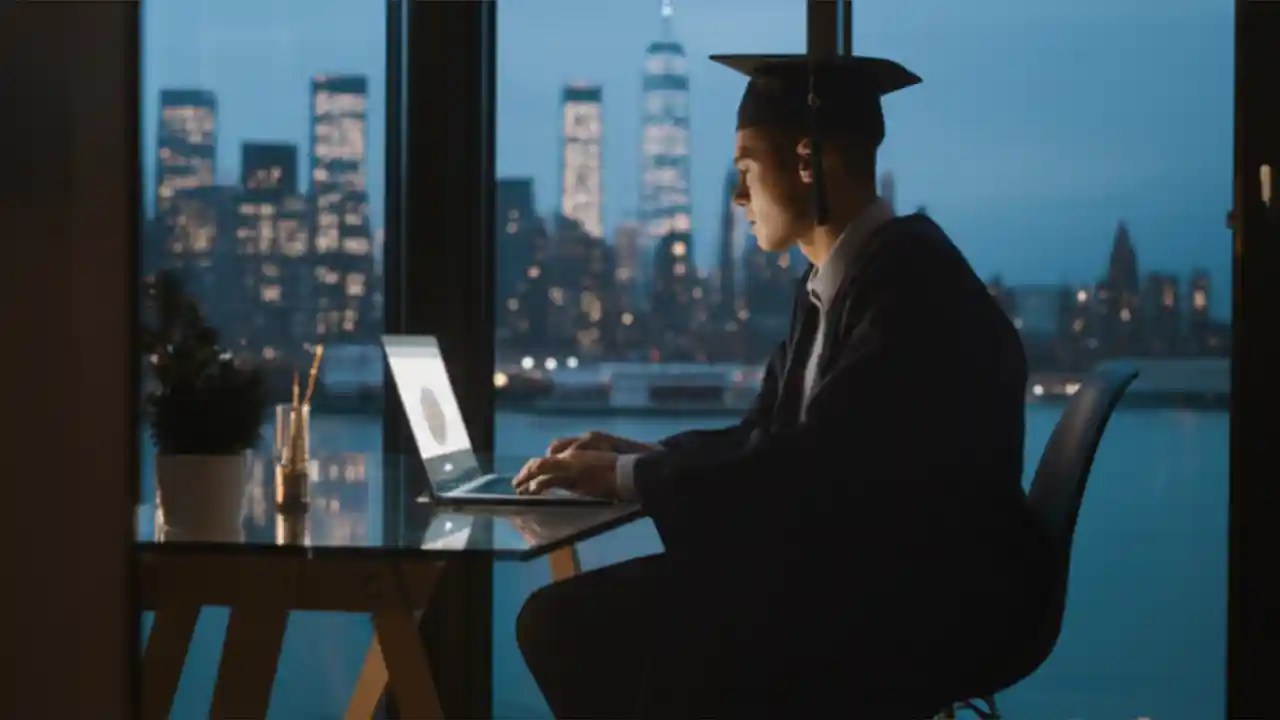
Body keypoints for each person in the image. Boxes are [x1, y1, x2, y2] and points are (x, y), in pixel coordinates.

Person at [511, 52, 1052, 718]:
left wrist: (628, 479)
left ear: (807, 162)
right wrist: (642, 458)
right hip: (877, 578)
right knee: (601, 622)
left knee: (566, 627)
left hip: (922, 606)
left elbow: (815, 465)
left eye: (745, 170)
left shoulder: (910, 290)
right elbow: (767, 437)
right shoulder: (843, 284)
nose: (738, 197)